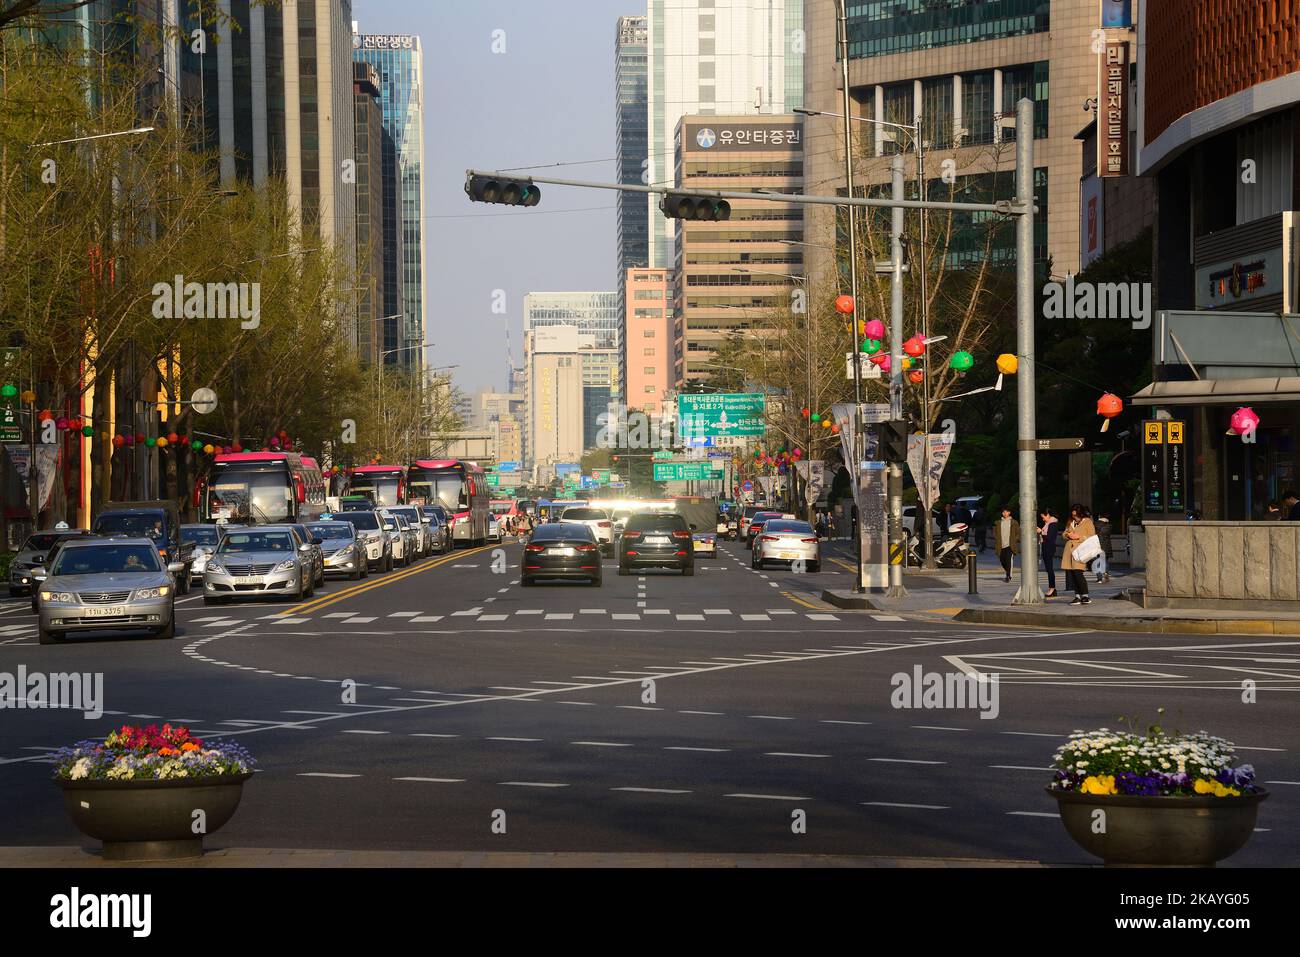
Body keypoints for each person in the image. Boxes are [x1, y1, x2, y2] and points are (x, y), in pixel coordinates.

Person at [1061, 503, 1097, 605]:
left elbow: (1092, 536)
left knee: (1078, 573)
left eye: (1076, 515)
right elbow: (1063, 534)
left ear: (1080, 513)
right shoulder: (1070, 522)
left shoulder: (1087, 522)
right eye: (1073, 515)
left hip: (1081, 550)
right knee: (1072, 574)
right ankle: (1077, 596)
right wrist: (1068, 535)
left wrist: (1078, 537)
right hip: (1069, 551)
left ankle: (1085, 596)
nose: (1074, 517)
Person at [1037, 507, 1059, 598]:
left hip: (1049, 548)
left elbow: (1050, 537)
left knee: (1049, 569)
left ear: (1048, 515)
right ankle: (1052, 588)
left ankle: (1052, 588)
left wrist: (1040, 532)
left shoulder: (1052, 524)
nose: (1043, 519)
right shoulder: (1048, 524)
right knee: (1048, 569)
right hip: (1046, 547)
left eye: (1043, 517)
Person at [993, 506, 1019, 582]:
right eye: (1003, 512)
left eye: (1006, 512)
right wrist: (996, 538)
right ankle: (1008, 572)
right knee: (1002, 560)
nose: (1005, 513)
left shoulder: (1014, 522)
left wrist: (1015, 540)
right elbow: (994, 532)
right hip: (1001, 545)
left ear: (1009, 512)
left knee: (1008, 560)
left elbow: (1018, 532)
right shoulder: (998, 522)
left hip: (1010, 545)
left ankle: (1008, 576)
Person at [1094, 513, 1114, 584]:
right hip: (1107, 545)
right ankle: (1106, 572)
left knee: (1098, 562)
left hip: (1097, 544)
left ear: (1099, 516)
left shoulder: (1095, 524)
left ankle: (1099, 579)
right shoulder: (1109, 525)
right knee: (1105, 561)